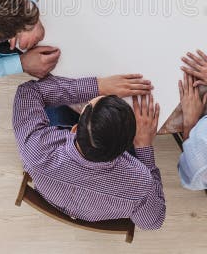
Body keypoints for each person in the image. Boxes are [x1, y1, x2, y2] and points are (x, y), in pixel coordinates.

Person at [12, 73, 166, 230]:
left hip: (52, 193)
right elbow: (153, 223)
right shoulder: (140, 184)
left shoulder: (35, 149)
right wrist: (143, 146)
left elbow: (28, 91)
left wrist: (97, 86)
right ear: (127, 148)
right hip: (94, 212)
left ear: (74, 128)